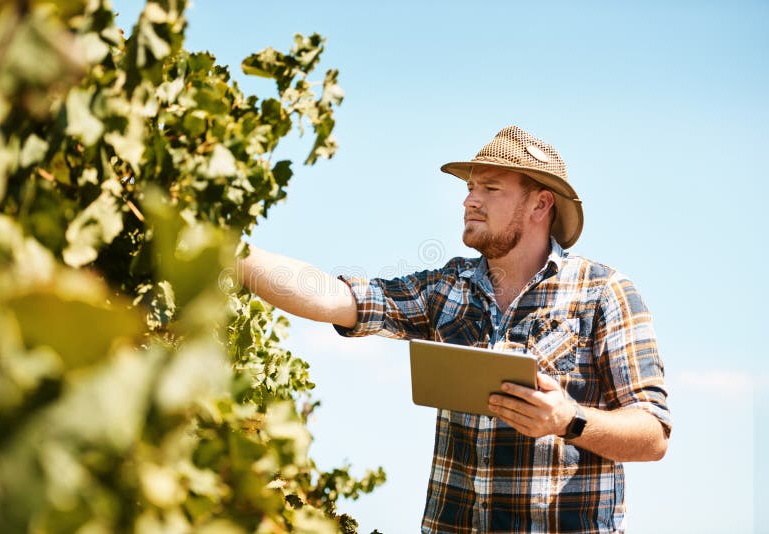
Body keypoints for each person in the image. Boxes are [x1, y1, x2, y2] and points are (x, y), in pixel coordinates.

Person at [238, 125, 671, 533]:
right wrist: (234, 253)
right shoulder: (447, 287)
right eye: (470, 188)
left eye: (490, 189)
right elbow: (337, 298)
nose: (470, 201)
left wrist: (567, 419)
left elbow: (653, 434)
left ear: (540, 205)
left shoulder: (603, 293)